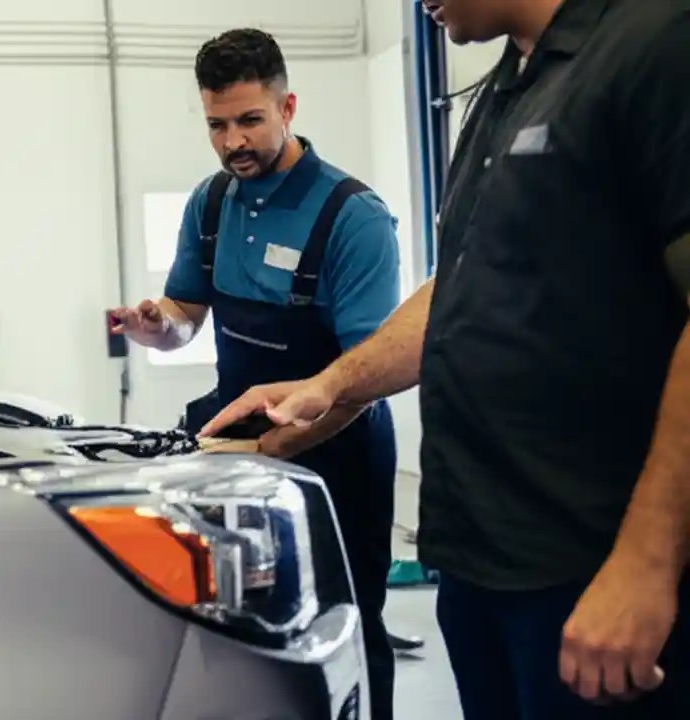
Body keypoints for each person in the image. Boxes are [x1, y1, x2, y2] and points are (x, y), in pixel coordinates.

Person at [198, 0, 690, 717]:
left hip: (590, 568)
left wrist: (647, 565)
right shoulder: (502, 89)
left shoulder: (653, 45)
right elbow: (460, 284)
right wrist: (326, 386)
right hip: (479, 563)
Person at [109, 28, 403, 720]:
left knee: (346, 618)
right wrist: (161, 326)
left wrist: (267, 454)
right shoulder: (211, 204)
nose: (232, 141)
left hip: (339, 446)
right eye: (217, 125)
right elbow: (185, 314)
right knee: (237, 624)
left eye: (249, 120)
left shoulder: (353, 218)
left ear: (288, 107)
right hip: (240, 435)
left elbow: (365, 379)